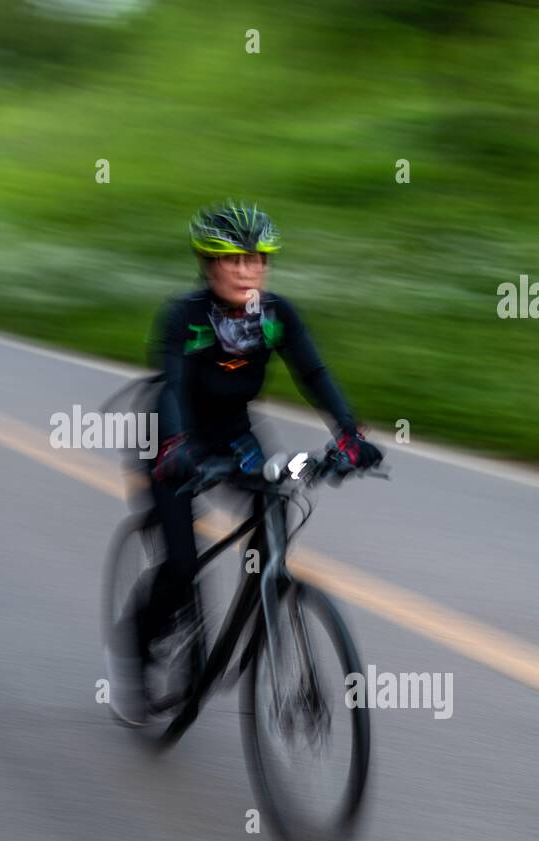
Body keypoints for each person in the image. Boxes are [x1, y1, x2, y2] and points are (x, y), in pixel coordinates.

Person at [110, 201, 383, 726]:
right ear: (208, 265)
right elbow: (171, 386)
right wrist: (176, 449)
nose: (245, 270)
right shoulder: (184, 316)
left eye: (256, 260)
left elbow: (314, 373)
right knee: (181, 564)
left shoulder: (276, 316)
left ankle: (266, 598)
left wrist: (348, 434)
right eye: (232, 259)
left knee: (277, 504)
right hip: (170, 436)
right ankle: (137, 650)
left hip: (235, 436)